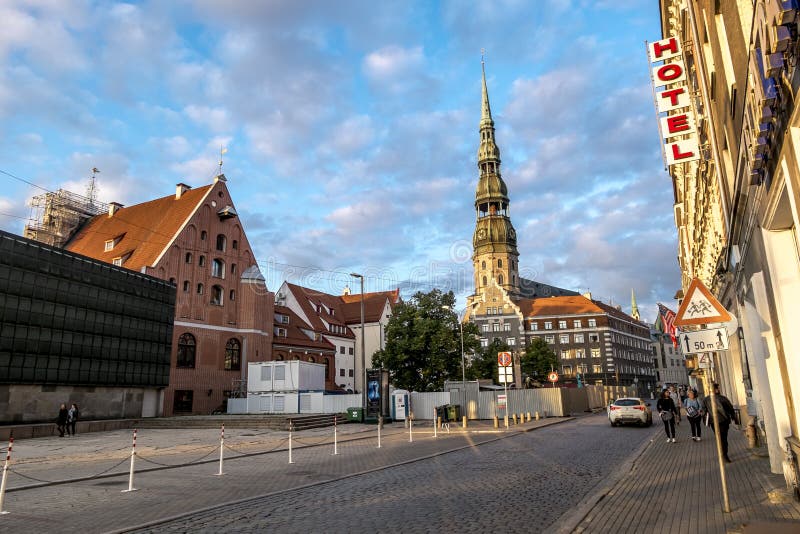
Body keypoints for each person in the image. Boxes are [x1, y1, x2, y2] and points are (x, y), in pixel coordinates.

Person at [703, 383, 737, 462]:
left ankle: (722, 453)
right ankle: (724, 454)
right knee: (724, 438)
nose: (719, 389)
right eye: (717, 388)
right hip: (723, 421)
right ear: (715, 390)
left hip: (713, 422)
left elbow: (704, 411)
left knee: (719, 438)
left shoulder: (706, 399)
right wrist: (733, 417)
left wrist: (706, 419)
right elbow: (730, 408)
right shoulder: (722, 398)